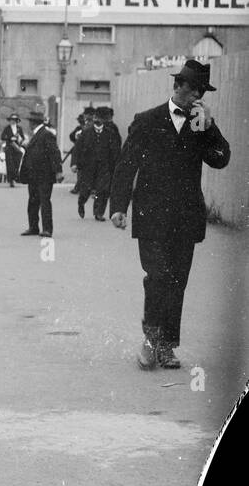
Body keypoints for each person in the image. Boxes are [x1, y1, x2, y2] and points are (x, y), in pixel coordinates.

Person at [109, 59, 230, 371]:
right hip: (151, 217)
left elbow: (220, 160)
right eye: (195, 89)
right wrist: (119, 207)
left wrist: (210, 126)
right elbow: (126, 165)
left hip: (185, 218)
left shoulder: (199, 124)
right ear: (178, 86)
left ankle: (167, 346)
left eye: (203, 91)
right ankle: (151, 341)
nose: (199, 96)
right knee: (158, 277)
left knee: (177, 282)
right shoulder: (146, 120)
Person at [17, 108, 61, 237]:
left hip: (44, 175)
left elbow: (54, 153)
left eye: (30, 122)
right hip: (34, 175)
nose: (29, 124)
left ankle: (47, 229)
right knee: (33, 201)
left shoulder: (46, 134)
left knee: (44, 201)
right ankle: (33, 227)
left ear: (33, 123)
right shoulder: (37, 134)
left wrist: (58, 171)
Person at [88, 106, 122, 222]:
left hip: (107, 164)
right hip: (100, 163)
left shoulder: (111, 129)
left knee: (103, 189)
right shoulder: (103, 128)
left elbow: (116, 146)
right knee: (101, 189)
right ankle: (98, 211)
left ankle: (98, 212)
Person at [0, 113, 26, 187]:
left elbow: (23, 137)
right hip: (9, 147)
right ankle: (11, 180)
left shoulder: (19, 128)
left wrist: (19, 139)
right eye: (12, 120)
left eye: (14, 120)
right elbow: (2, 137)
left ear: (17, 121)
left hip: (17, 147)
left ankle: (15, 178)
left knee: (16, 163)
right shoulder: (7, 128)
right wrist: (9, 138)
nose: (13, 121)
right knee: (10, 164)